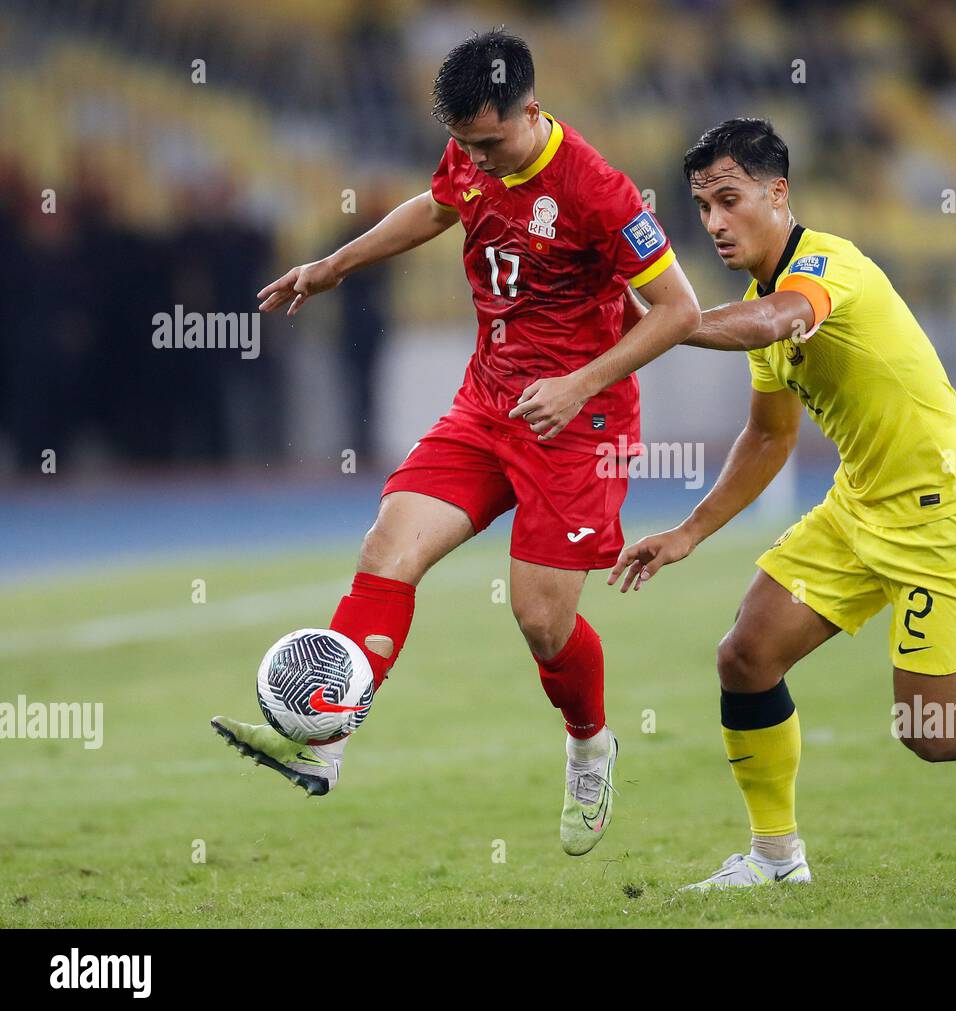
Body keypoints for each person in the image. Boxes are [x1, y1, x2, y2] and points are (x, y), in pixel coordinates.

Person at [609, 118, 956, 888]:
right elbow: (769, 438)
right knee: (745, 656)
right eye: (703, 207)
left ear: (778, 193)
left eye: (729, 200)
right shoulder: (755, 299)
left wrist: (672, 322)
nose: (713, 222)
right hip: (858, 509)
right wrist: (689, 532)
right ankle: (776, 861)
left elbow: (779, 320)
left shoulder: (826, 266)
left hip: (944, 517)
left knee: (933, 732)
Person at [212, 29, 701, 858]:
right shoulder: (471, 155)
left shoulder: (601, 194)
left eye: (490, 141)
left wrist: (580, 383)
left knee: (542, 623)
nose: (478, 157)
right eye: (465, 143)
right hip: (486, 406)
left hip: (579, 425)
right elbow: (437, 206)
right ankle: (324, 745)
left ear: (532, 112)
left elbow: (681, 311)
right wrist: (336, 264)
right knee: (387, 549)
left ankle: (589, 746)